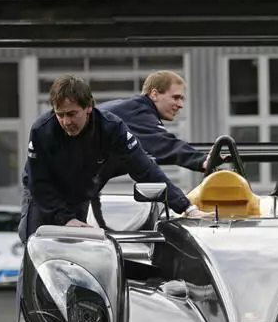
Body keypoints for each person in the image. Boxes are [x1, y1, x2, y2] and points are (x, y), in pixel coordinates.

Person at [19, 74, 208, 244]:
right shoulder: (42, 131)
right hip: (42, 194)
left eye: (72, 114)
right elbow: (39, 183)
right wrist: (66, 219)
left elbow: (145, 169)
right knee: (38, 249)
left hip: (78, 193)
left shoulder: (111, 127)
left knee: (73, 251)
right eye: (60, 115)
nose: (66, 122)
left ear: (88, 108)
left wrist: (187, 207)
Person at [98, 70, 215, 172]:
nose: (180, 105)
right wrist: (203, 160)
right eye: (176, 97)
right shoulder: (138, 113)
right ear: (154, 94)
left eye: (182, 99)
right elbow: (164, 144)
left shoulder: (132, 108)